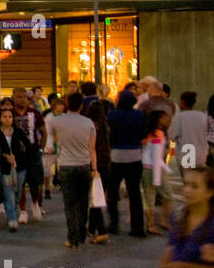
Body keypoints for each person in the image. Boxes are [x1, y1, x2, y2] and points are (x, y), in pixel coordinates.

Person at [54, 92, 98, 249]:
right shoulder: (89, 123)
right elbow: (92, 148)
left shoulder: (58, 121)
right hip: (84, 165)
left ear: (67, 104)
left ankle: (72, 237)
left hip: (65, 165)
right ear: (81, 106)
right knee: (83, 201)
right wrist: (95, 168)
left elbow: (55, 142)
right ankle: (81, 233)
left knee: (70, 203)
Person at [107, 88, 146, 238]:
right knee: (134, 192)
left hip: (117, 155)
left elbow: (110, 134)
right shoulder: (138, 115)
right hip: (135, 155)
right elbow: (143, 133)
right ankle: (138, 227)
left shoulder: (113, 115)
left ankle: (113, 223)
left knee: (113, 191)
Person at [0, 105, 31, 232]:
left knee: (18, 191)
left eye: (10, 117)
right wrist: (5, 157)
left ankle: (13, 208)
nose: (7, 119)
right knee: (9, 194)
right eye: (4, 117)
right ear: (0, 119)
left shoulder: (18, 131)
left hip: (19, 167)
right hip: (5, 168)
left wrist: (20, 156)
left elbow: (28, 145)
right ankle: (12, 219)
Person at [11, 87, 46, 224]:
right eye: (18, 96)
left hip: (33, 151)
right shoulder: (10, 114)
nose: (22, 99)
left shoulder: (35, 113)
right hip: (17, 154)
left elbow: (43, 131)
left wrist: (41, 147)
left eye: (24, 96)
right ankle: (23, 210)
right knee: (20, 182)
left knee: (35, 181)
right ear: (13, 98)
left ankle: (36, 203)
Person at [82, 98, 111, 245]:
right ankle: (92, 229)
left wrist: (93, 167)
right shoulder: (105, 125)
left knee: (95, 199)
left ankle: (102, 231)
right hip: (106, 164)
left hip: (95, 164)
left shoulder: (91, 126)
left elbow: (90, 147)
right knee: (97, 196)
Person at [142, 108, 173, 236]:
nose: (167, 119)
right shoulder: (158, 134)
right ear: (159, 120)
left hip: (146, 167)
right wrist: (160, 173)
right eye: (164, 117)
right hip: (155, 168)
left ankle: (150, 223)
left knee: (149, 197)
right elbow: (156, 156)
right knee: (168, 195)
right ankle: (163, 220)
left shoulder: (149, 133)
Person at [168, 91, 210, 178]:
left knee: (189, 180)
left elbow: (172, 135)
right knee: (199, 180)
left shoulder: (179, 117)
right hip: (201, 152)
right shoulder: (202, 116)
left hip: (187, 152)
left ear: (182, 102)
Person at [43, 94, 63, 202]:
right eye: (60, 105)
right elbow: (48, 131)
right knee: (47, 169)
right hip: (50, 144)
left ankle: (61, 184)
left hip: (61, 144)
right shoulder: (49, 117)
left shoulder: (63, 117)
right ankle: (47, 189)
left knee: (62, 167)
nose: (62, 107)